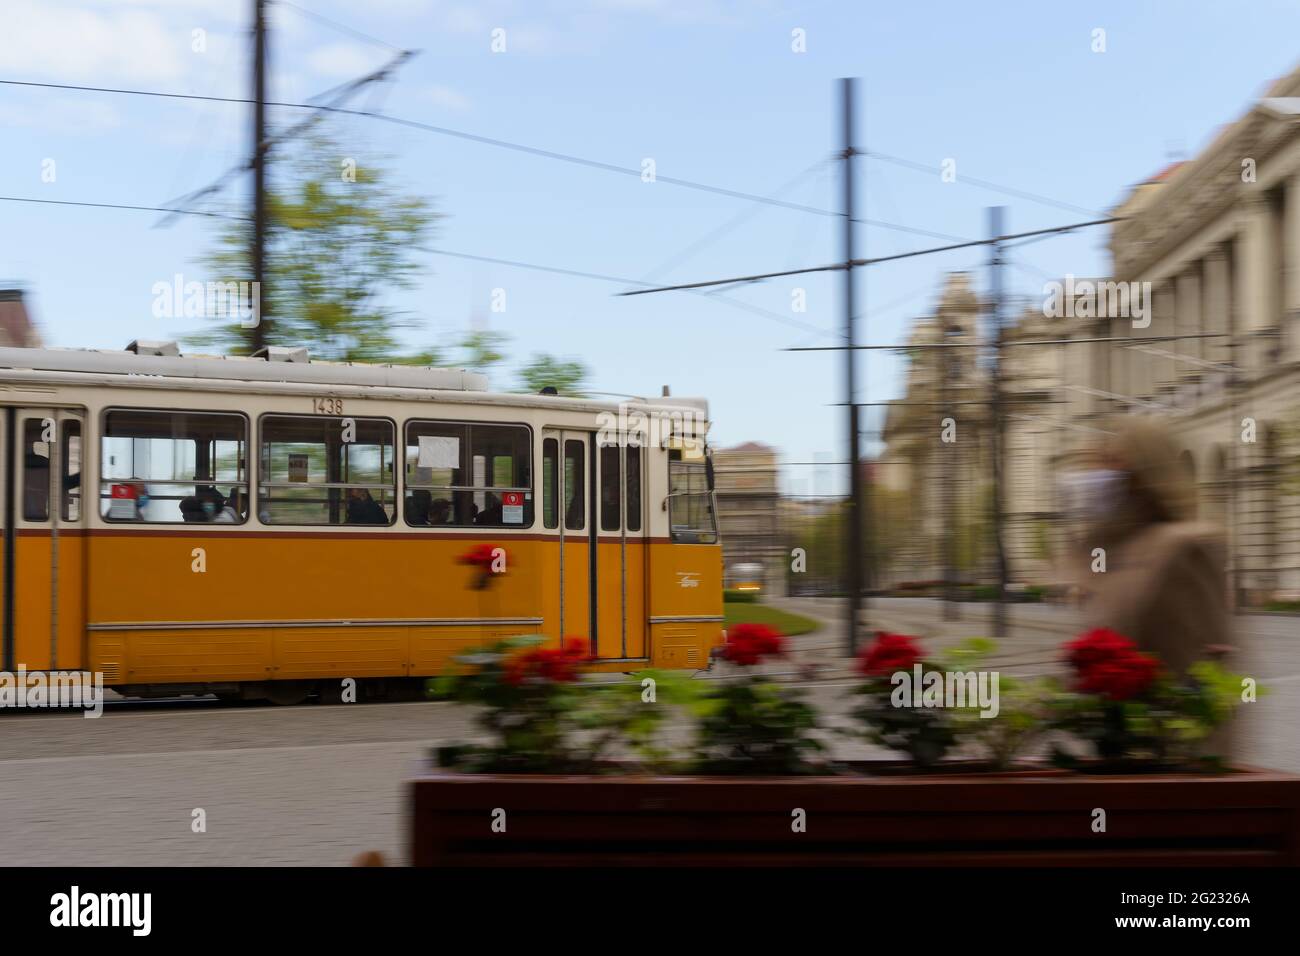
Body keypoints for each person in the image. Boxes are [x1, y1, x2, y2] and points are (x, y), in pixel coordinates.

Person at [1070, 415, 1231, 677]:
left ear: (1143, 472)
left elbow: (1214, 666)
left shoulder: (1186, 547)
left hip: (1168, 708)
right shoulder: (1110, 547)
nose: (1100, 476)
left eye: (1115, 462)